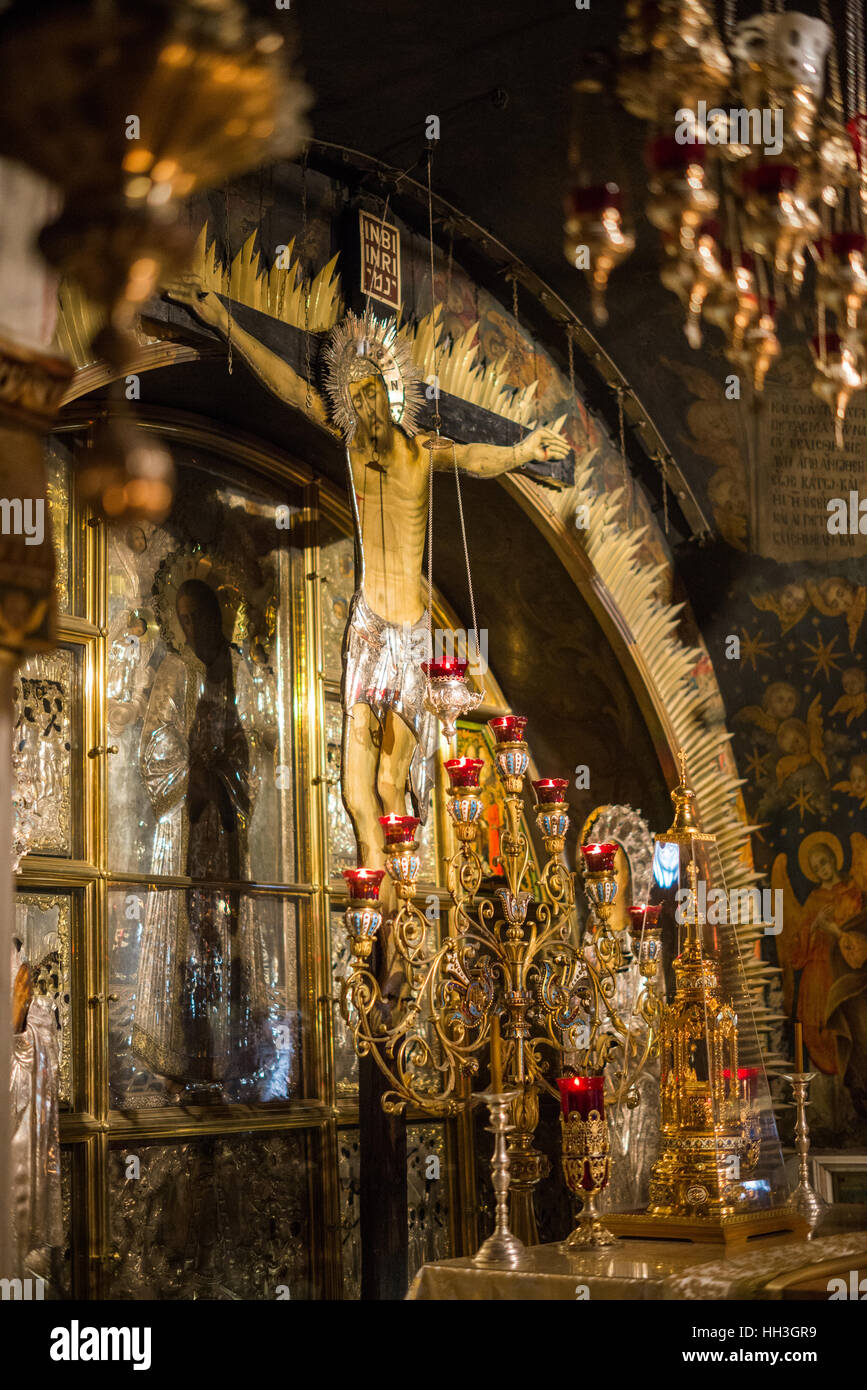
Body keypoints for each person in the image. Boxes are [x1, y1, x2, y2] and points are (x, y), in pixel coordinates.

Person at [166, 281, 569, 1003]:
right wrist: (222, 319)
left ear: (391, 394)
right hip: (367, 625)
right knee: (358, 793)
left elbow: (473, 461)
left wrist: (524, 447)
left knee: (394, 783)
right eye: (356, 395)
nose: (367, 405)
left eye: (375, 392)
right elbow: (290, 387)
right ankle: (378, 909)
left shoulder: (418, 453)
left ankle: (407, 915)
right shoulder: (350, 447)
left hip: (411, 627)